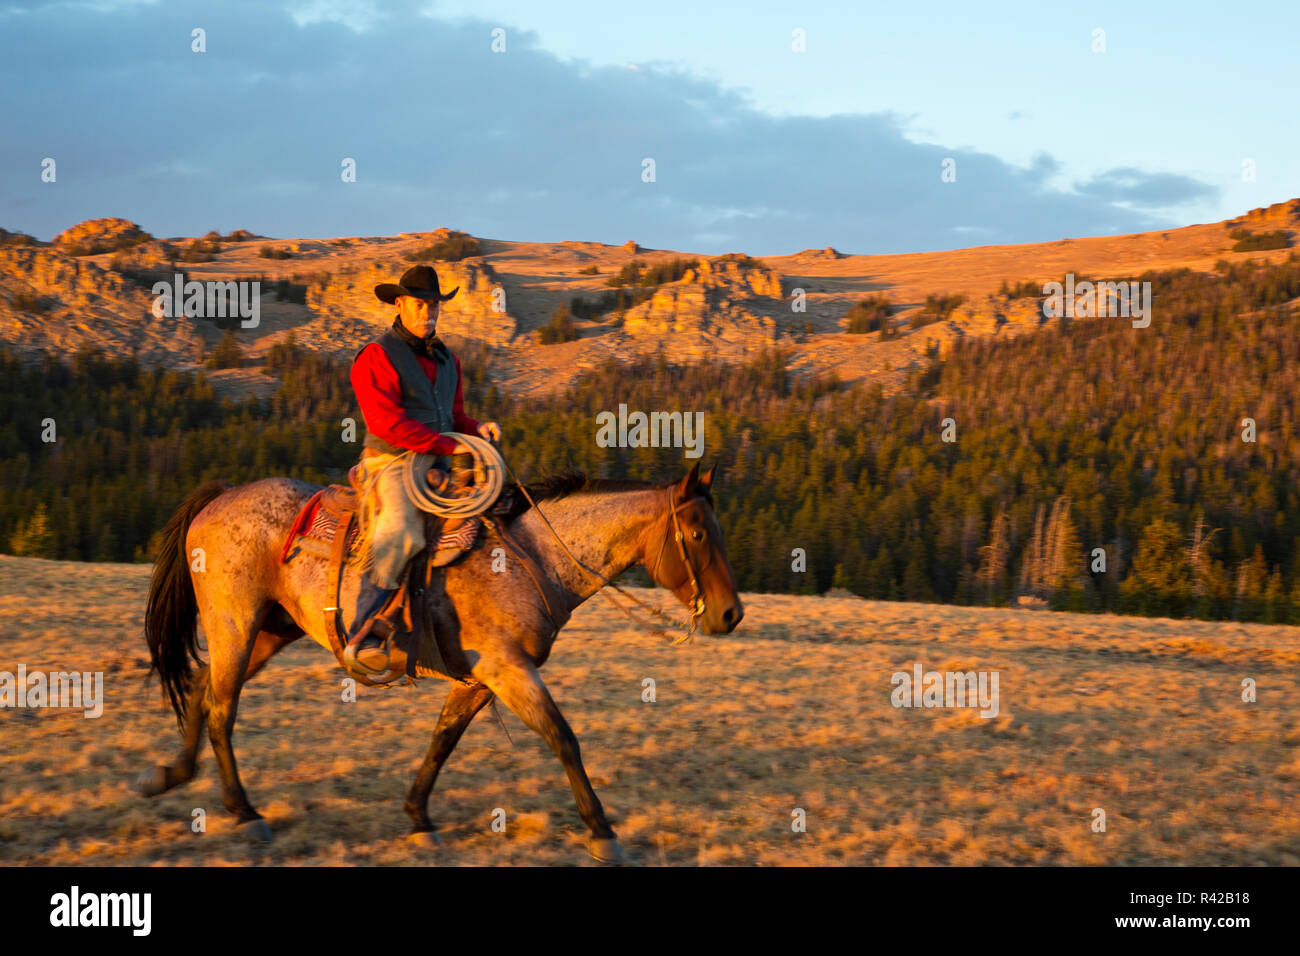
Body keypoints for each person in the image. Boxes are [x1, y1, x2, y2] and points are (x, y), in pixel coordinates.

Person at [342, 264, 501, 676]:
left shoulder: (448, 360)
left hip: (438, 459)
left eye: (434, 306)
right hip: (390, 460)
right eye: (419, 304)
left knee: (497, 514)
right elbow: (386, 424)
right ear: (399, 304)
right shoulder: (376, 356)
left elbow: (455, 415)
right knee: (400, 529)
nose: (428, 313)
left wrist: (476, 429)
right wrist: (451, 443)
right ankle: (366, 634)